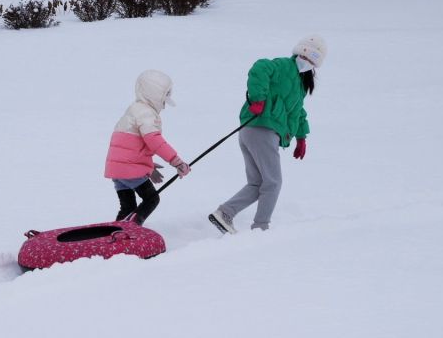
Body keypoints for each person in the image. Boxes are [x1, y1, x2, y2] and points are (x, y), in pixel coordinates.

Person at [209, 35, 327, 234]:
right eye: (304, 57)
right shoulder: (283, 66)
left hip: (254, 132)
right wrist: (258, 98)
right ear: (298, 53)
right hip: (261, 129)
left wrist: (301, 137)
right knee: (273, 182)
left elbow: (298, 112)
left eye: (312, 61)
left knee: (258, 183)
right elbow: (259, 68)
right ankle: (261, 228)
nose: (306, 62)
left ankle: (225, 213)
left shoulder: (299, 84)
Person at [104, 69, 191, 226]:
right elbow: (154, 141)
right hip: (129, 169)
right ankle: (133, 228)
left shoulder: (134, 109)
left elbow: (129, 146)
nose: (164, 107)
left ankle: (115, 234)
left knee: (128, 207)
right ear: (155, 96)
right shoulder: (147, 113)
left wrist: (147, 165)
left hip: (117, 169)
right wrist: (176, 162)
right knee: (152, 198)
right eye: (164, 101)